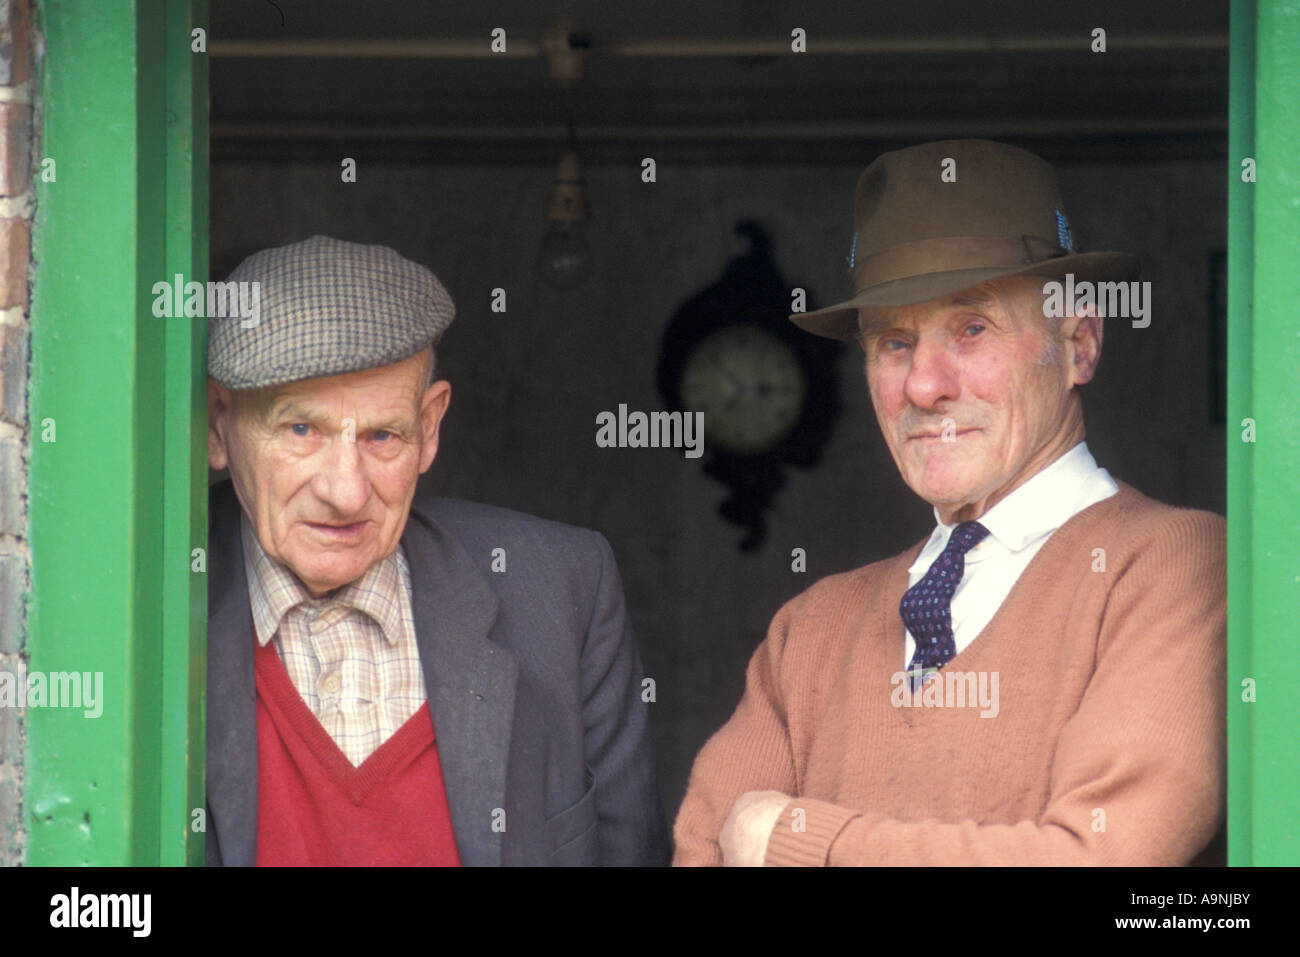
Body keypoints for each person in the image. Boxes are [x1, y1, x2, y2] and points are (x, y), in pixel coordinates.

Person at [672, 140, 1225, 866]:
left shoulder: (1170, 566)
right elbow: (703, 852)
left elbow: (1099, 860)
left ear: (1080, 342)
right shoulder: (807, 632)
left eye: (972, 328)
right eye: (894, 343)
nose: (924, 385)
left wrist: (799, 841)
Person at [204, 235, 669, 865]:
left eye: (383, 435)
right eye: (300, 429)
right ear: (217, 424)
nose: (345, 492)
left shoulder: (562, 589)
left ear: (430, 425)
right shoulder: (141, 606)